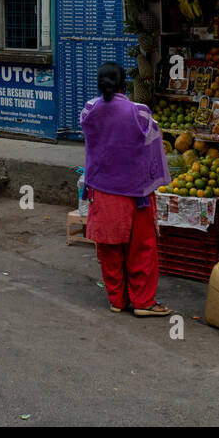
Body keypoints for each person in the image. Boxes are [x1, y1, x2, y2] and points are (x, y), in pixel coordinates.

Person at [80, 61, 172, 316]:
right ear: (124, 85)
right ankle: (143, 302)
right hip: (137, 194)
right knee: (141, 248)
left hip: (102, 191)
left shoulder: (89, 110)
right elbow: (154, 144)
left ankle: (117, 301)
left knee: (109, 248)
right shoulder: (139, 112)